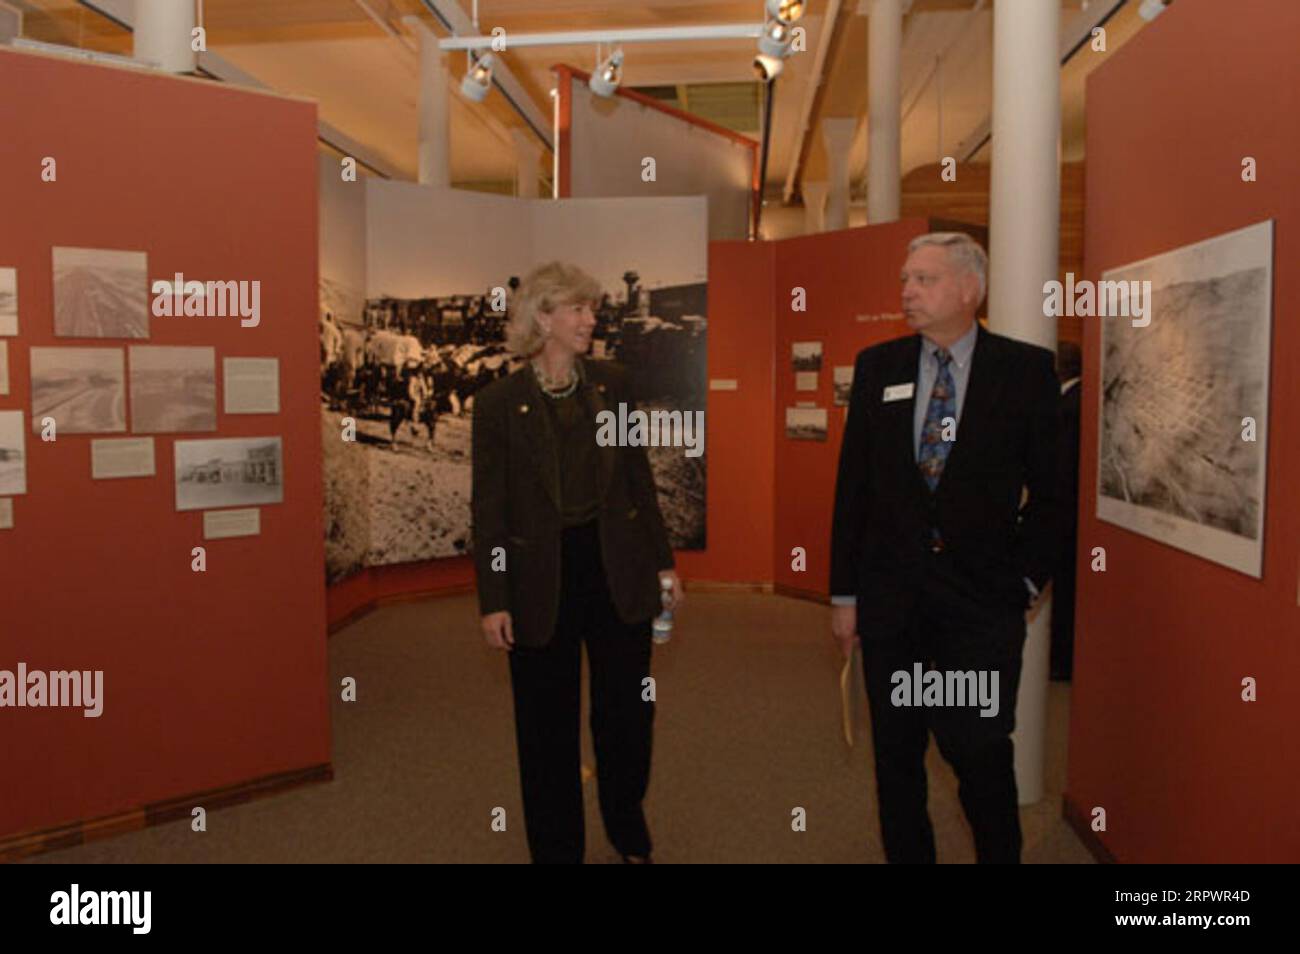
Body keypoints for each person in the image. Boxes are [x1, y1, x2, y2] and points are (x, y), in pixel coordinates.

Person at [829, 232, 1063, 864]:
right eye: (905, 279)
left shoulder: (1025, 372)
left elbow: (1054, 497)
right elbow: (854, 491)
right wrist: (845, 595)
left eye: (924, 279)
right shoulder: (878, 367)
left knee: (980, 753)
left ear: (969, 289)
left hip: (979, 609)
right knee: (897, 760)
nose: (907, 291)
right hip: (892, 607)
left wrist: (1022, 583)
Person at [471, 261, 683, 864]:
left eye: (592, 309)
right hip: (540, 580)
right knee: (545, 730)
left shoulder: (613, 383)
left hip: (617, 568)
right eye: (579, 309)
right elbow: (488, 513)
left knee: (627, 718)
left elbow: (638, 481)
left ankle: (627, 830)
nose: (591, 319)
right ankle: (556, 850)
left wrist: (664, 564)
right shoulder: (496, 404)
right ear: (544, 317)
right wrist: (494, 600)